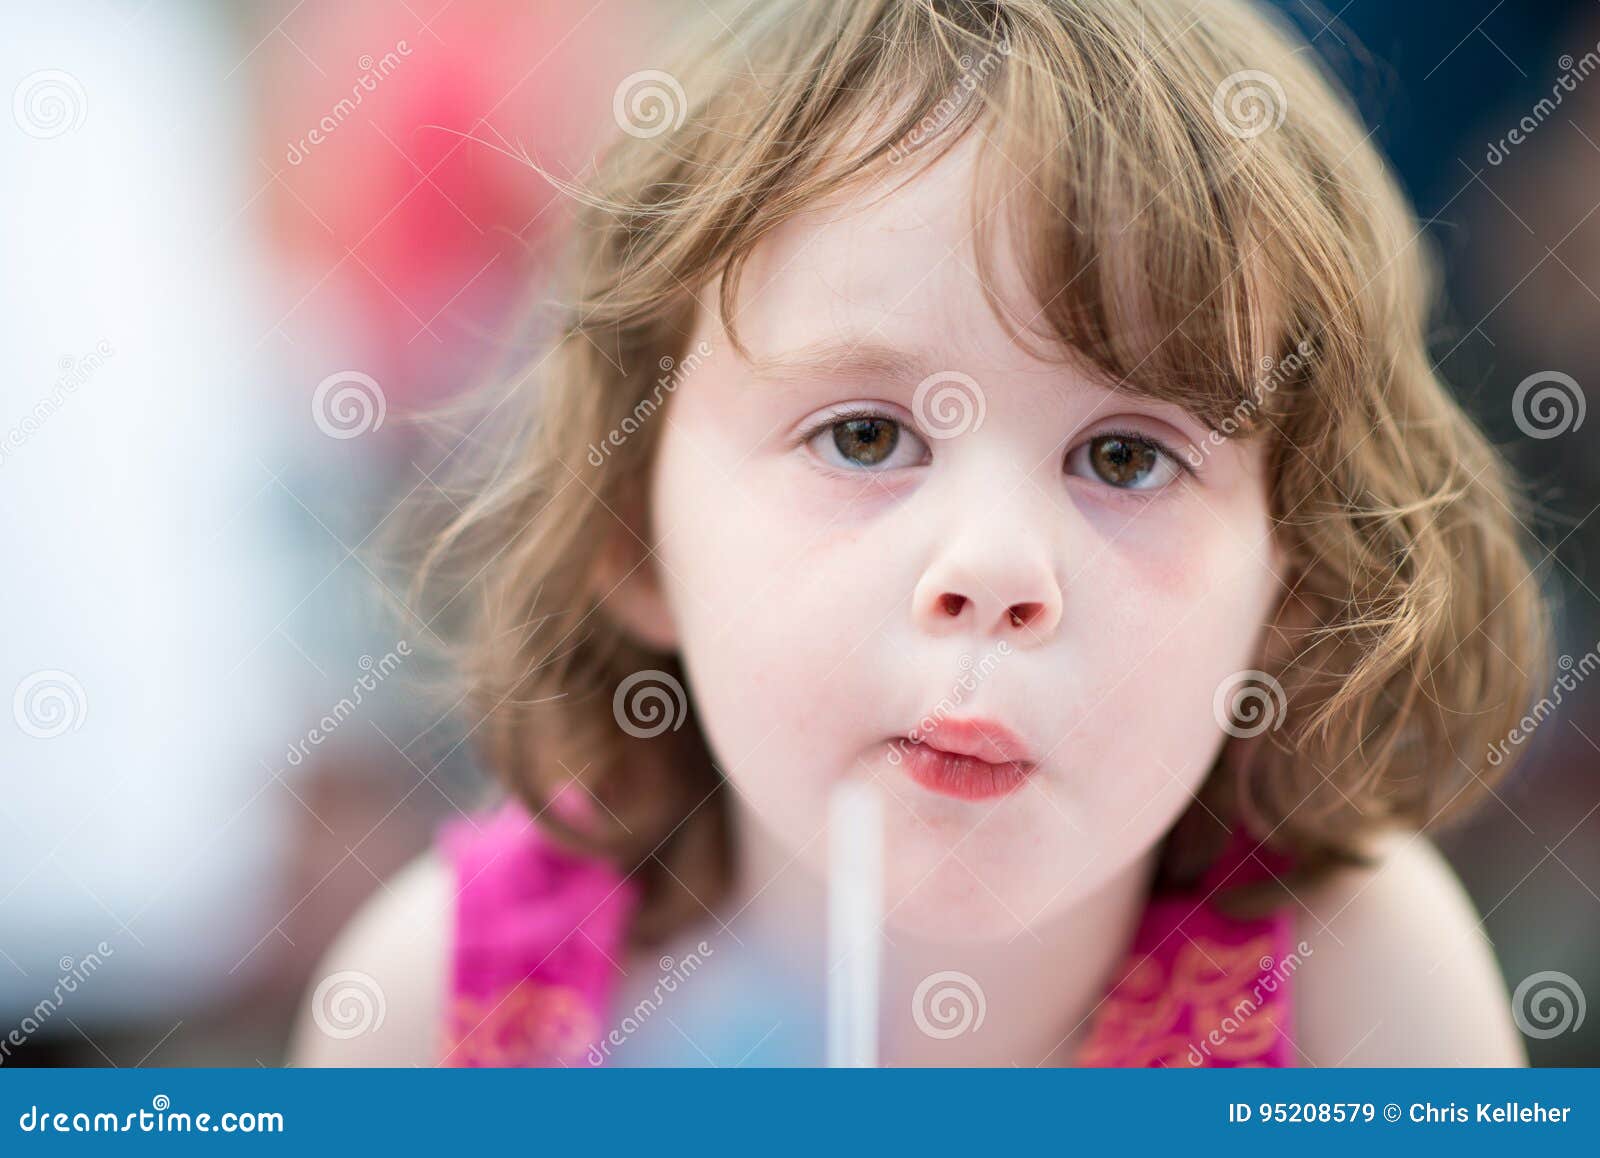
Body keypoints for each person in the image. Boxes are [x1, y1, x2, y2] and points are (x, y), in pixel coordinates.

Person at [291, 0, 1550, 1067]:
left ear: (1290, 579)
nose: (992, 571)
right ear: (632, 534)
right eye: (863, 438)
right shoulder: (432, 1011)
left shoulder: (1360, 987)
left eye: (1125, 456)